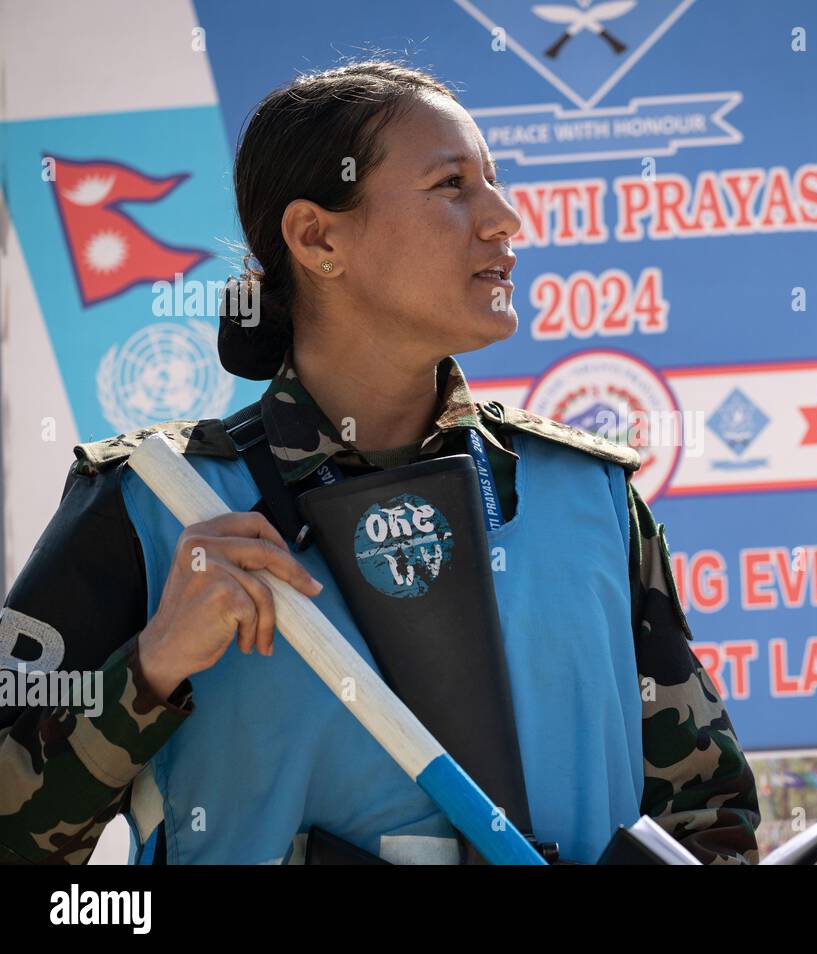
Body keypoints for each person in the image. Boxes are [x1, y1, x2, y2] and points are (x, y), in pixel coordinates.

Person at [0, 61, 760, 865]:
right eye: (452, 185)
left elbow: (711, 817)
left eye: (495, 183)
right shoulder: (151, 504)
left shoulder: (591, 496)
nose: (505, 218)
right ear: (317, 237)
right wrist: (150, 670)